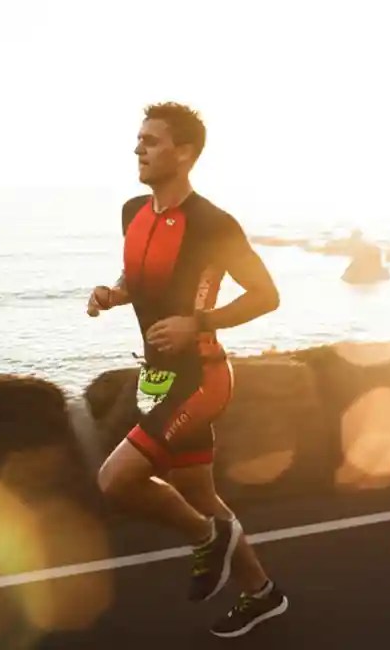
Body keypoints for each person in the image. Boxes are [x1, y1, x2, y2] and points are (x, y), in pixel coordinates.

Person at [87, 102, 288, 638]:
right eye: (139, 139)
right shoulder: (133, 211)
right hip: (157, 377)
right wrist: (114, 294)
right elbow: (140, 275)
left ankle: (207, 538)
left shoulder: (213, 223)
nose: (138, 148)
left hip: (200, 379)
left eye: (150, 140)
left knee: (115, 481)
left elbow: (266, 295)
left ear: (185, 153)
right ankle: (262, 594)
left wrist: (196, 323)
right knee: (199, 493)